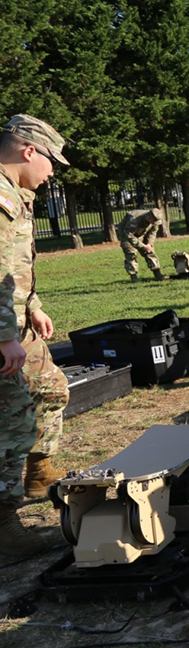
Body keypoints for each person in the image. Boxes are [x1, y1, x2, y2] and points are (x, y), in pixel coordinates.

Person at [0, 114, 71, 556]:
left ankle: (38, 476)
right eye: (50, 162)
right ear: (29, 151)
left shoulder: (14, 195)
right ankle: (4, 527)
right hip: (3, 331)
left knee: (51, 389)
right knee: (12, 420)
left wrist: (32, 305)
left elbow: (13, 266)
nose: (51, 173)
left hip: (16, 320)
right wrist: (4, 335)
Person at [118, 207, 164, 282]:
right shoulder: (134, 219)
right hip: (126, 235)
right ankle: (134, 278)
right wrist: (143, 246)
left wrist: (149, 244)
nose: (154, 222)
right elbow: (129, 235)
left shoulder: (154, 221)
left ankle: (158, 274)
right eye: (154, 220)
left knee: (150, 252)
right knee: (131, 254)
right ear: (149, 216)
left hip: (142, 234)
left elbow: (153, 232)